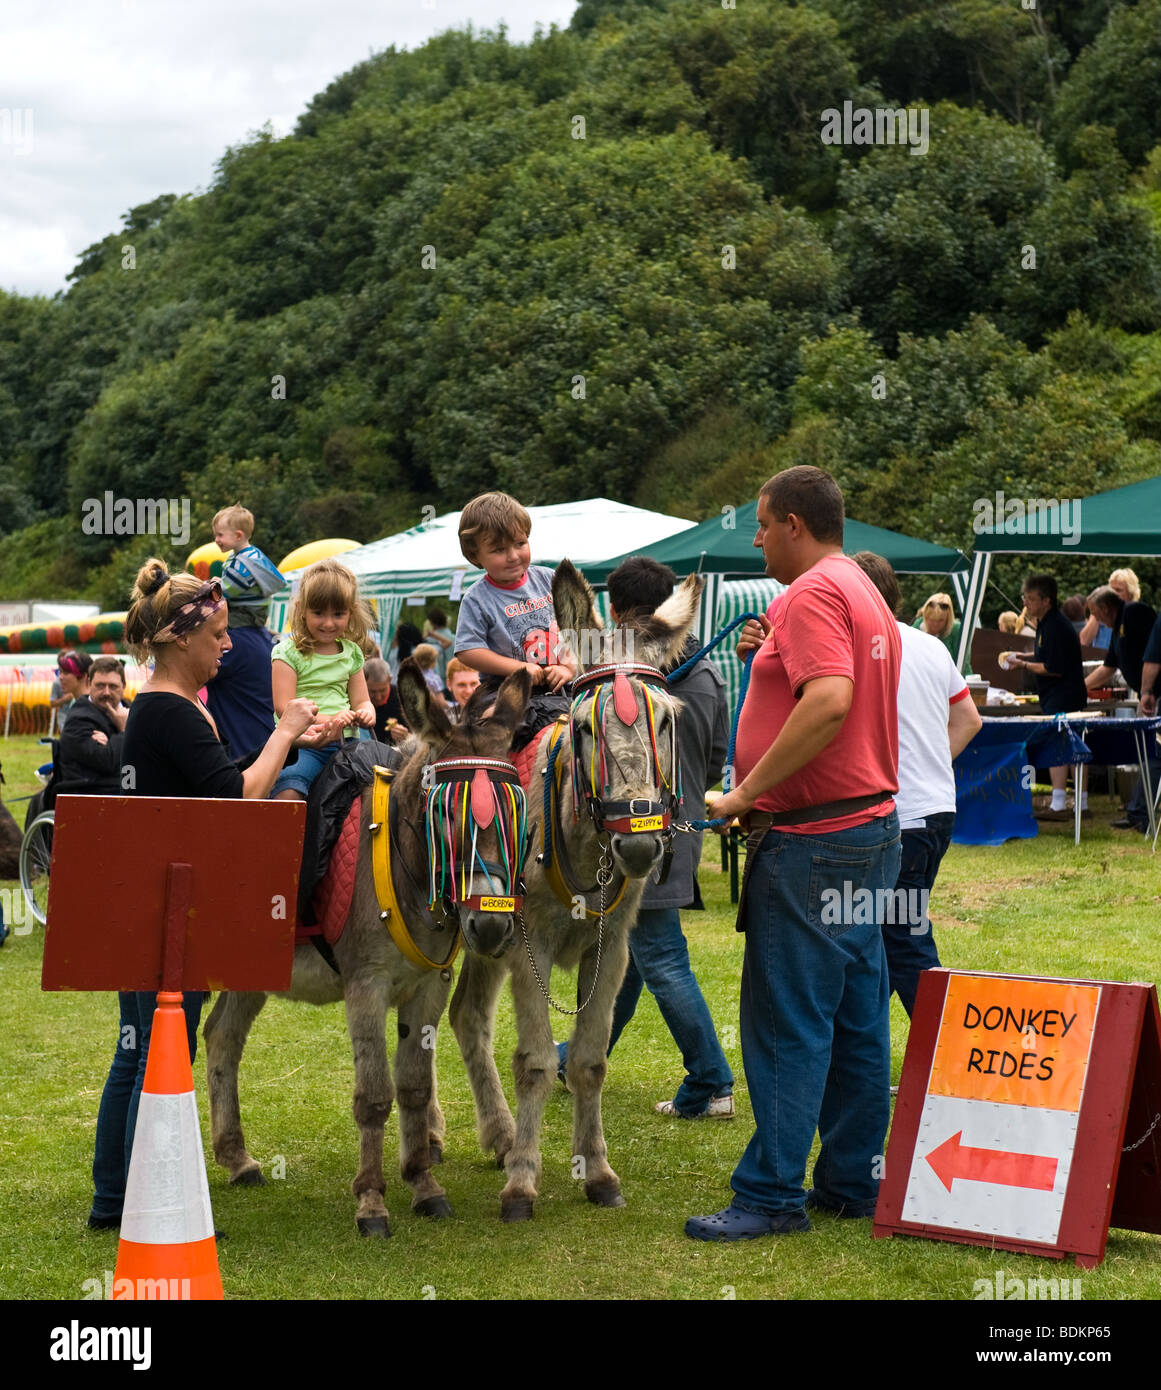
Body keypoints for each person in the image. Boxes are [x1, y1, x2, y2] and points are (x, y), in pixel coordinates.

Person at [685, 466, 901, 1241]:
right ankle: (850, 1180)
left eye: (761, 523)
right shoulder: (862, 587)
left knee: (785, 1019)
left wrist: (745, 797)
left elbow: (830, 699)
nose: (754, 538)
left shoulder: (807, 593)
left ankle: (770, 1196)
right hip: (868, 829)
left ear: (793, 526)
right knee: (854, 1017)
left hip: (814, 840)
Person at [88, 559, 319, 1230]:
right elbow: (237, 798)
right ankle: (131, 1199)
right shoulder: (171, 711)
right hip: (166, 917)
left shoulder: (165, 709)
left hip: (150, 906)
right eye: (217, 634)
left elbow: (218, 783)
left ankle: (114, 1199)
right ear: (178, 640)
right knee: (151, 1053)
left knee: (137, 1048)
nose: (226, 645)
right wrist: (285, 731)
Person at [555, 557, 734, 1119]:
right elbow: (714, 759)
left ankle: (711, 1079)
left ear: (613, 608)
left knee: (660, 955)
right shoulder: (707, 675)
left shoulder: (629, 675)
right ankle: (580, 1055)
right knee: (625, 949)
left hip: (637, 829)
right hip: (678, 825)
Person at [853, 553, 982, 1017]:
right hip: (935, 809)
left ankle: (946, 1054)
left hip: (899, 817)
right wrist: (931, 765)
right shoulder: (931, 646)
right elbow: (969, 719)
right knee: (886, 936)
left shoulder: (859, 648)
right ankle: (858, 1054)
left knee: (903, 939)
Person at [453, 491, 577, 747]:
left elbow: (576, 628)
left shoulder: (548, 579)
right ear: (475, 556)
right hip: (503, 688)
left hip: (562, 682)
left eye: (520, 544)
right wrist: (518, 669)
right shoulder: (477, 598)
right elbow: (467, 650)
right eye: (498, 550)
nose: (512, 555)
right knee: (490, 729)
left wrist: (569, 667)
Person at [270, 558, 377, 802]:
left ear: (351, 612)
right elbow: (284, 707)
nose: (328, 623)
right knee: (289, 792)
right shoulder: (287, 653)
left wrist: (366, 712)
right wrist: (332, 720)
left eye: (338, 614)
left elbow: (362, 700)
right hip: (305, 745)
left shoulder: (351, 653)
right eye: (318, 613)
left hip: (350, 742)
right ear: (302, 610)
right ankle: (284, 838)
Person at [205, 504, 287, 759]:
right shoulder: (249, 558)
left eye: (220, 535)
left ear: (238, 535)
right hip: (255, 622)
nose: (216, 540)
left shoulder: (244, 562)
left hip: (244, 616)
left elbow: (226, 591)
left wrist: (208, 588)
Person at [1007, 574, 1088, 820]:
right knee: (1068, 748)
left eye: (1031, 599)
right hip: (1056, 695)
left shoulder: (1056, 625)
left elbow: (1052, 667)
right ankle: (1072, 803)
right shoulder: (1044, 623)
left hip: (1065, 696)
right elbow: (1043, 655)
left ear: (1047, 600)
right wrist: (1022, 658)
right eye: (1025, 598)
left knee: (1068, 748)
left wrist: (1022, 665)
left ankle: (1062, 803)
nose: (1026, 603)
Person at [55, 657, 130, 797]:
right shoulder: (78, 720)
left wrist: (112, 743)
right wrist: (125, 732)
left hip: (130, 791)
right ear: (89, 684)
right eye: (100, 686)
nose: (106, 692)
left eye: (113, 686)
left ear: (123, 687)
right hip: (91, 796)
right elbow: (107, 762)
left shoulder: (133, 711)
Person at [1079, 567, 1140, 648]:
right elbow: (1084, 640)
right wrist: (1096, 612)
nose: (1114, 594)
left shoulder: (1136, 616)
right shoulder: (1102, 611)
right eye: (1111, 590)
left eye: (1118, 590)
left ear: (1130, 593)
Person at [913, 592, 972, 674]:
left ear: (948, 619)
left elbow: (963, 665)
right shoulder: (917, 627)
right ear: (925, 616)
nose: (935, 624)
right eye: (931, 619)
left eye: (940, 620)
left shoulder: (956, 630)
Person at [363, 657, 409, 743]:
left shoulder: (403, 698)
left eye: (382, 690)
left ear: (390, 680)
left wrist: (408, 737)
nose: (378, 697)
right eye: (372, 691)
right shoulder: (357, 701)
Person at [54, 650, 93, 733]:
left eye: (66, 673)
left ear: (83, 676)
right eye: (60, 672)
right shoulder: (75, 702)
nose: (60, 677)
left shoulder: (91, 704)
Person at [422, 606, 455, 683]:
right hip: (455, 674)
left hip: (439, 677)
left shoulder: (430, 640)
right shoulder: (455, 638)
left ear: (431, 622)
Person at [444, 657, 481, 721]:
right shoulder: (444, 720)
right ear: (449, 685)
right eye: (462, 685)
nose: (468, 691)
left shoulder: (494, 717)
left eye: (473, 684)